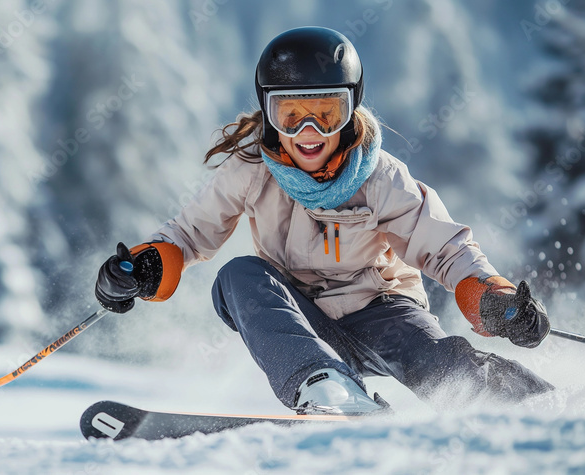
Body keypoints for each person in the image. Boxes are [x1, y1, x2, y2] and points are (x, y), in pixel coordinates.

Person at [95, 27, 553, 414]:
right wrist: (143, 268)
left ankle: (526, 405)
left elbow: (445, 248)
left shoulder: (379, 176)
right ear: (270, 116)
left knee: (439, 366)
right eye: (290, 116)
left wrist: (493, 298)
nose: (308, 134)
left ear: (350, 111)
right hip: (301, 323)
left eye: (326, 114)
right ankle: (326, 387)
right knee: (237, 276)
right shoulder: (251, 169)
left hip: (383, 312)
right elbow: (189, 234)